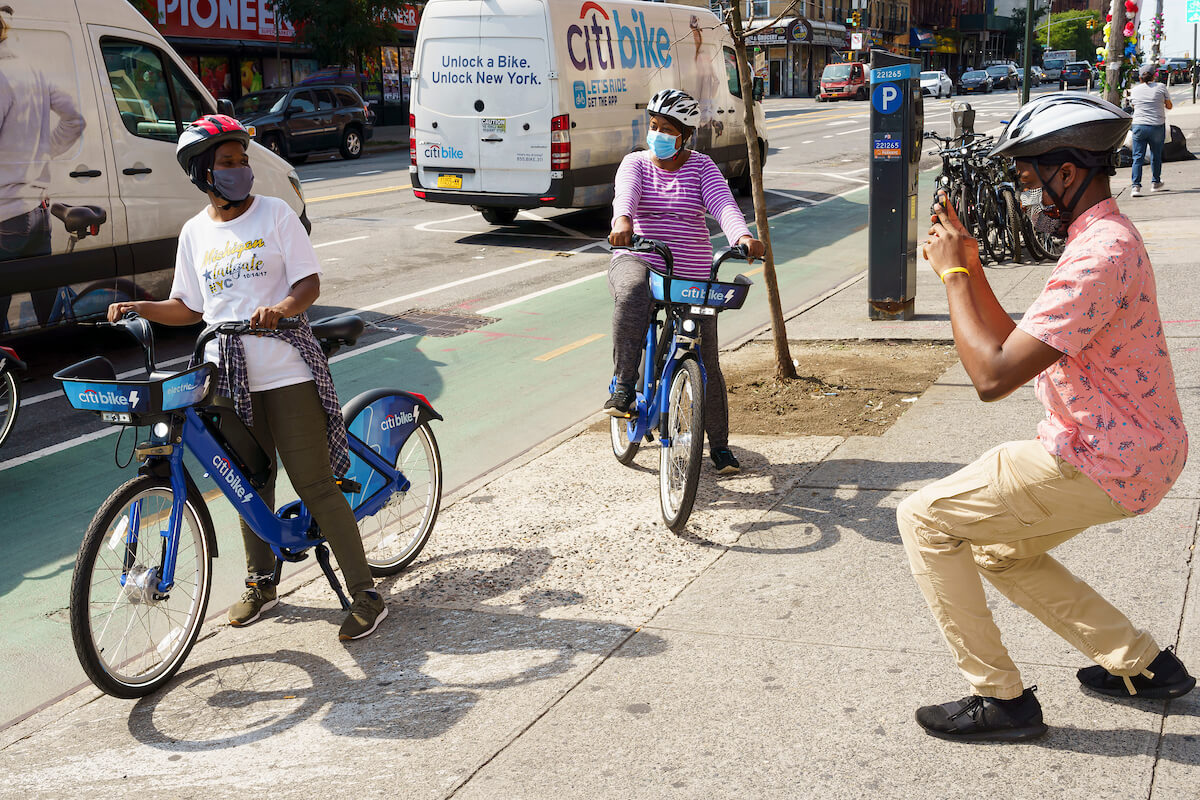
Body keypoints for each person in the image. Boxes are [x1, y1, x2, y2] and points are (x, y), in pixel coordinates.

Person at [898, 93, 1194, 742]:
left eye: (1030, 180)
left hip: (1100, 457)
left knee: (924, 519)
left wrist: (950, 275)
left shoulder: (1098, 256)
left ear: (1068, 173)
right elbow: (1020, 347)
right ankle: (1142, 664)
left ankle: (1000, 700)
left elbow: (992, 375)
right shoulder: (1102, 239)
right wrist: (972, 268)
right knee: (1003, 552)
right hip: (1133, 453)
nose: (1025, 195)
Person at [106, 115, 387, 641]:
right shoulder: (194, 232)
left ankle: (366, 593)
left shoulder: (276, 214)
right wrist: (139, 305)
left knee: (314, 484)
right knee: (248, 485)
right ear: (203, 173)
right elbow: (189, 306)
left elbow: (309, 283)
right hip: (228, 378)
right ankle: (262, 581)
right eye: (228, 163)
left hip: (284, 370)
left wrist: (281, 308)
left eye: (243, 161)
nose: (241, 171)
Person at [605, 89, 764, 475]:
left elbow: (724, 205)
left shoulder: (703, 168)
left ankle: (720, 447)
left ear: (686, 136)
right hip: (638, 257)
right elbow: (624, 198)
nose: (656, 133)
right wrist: (622, 222)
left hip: (691, 272)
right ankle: (625, 386)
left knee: (706, 357)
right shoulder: (635, 164)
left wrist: (741, 237)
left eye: (666, 129)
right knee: (630, 294)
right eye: (654, 125)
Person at [0, 3, 86, 327]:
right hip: (37, 211)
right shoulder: (32, 68)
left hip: (5, 214)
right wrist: (43, 151)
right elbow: (74, 120)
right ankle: (56, 372)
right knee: (47, 312)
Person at [1128, 63, 1172, 197]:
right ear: (1154, 76)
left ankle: (1135, 187)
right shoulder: (1161, 87)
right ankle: (1155, 182)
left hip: (1139, 125)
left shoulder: (1135, 90)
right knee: (1156, 155)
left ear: (1140, 78)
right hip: (1156, 125)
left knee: (1137, 157)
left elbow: (1134, 105)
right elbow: (1169, 106)